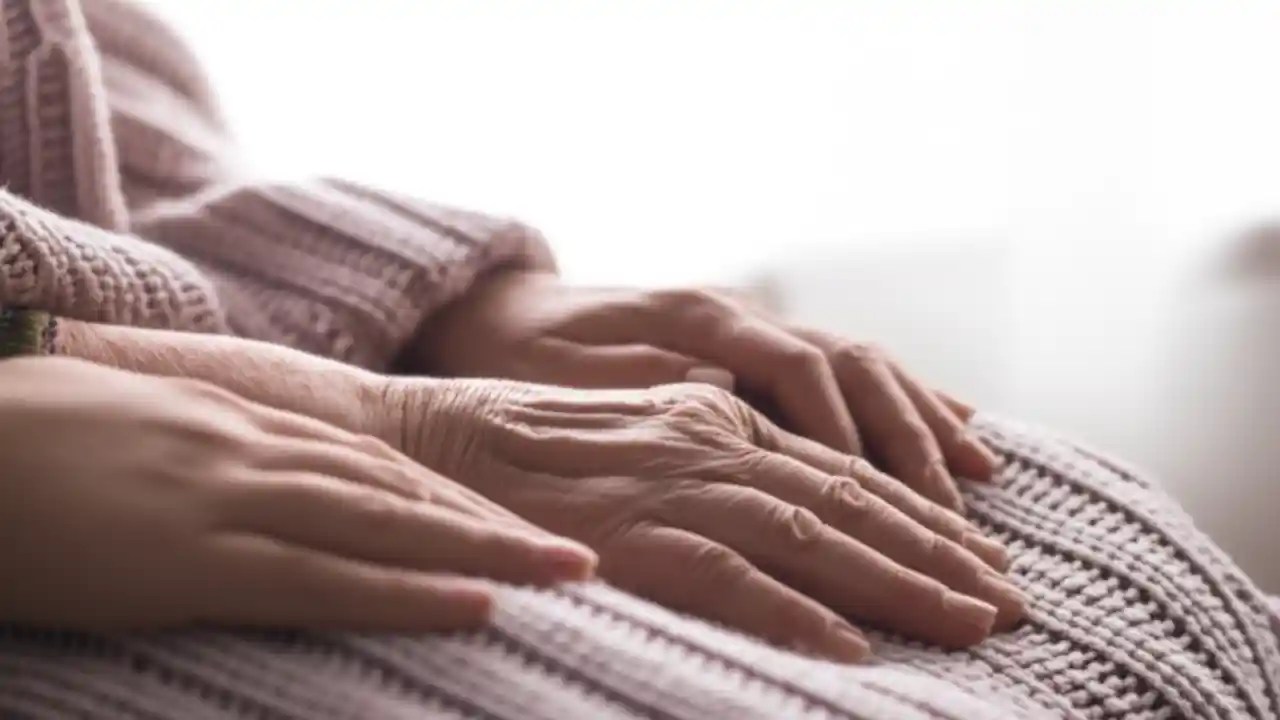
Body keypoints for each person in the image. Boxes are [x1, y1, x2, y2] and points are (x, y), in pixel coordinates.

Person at [0, 1, 1276, 717]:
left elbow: (70, 77)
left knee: (1137, 590)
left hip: (149, 355)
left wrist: (411, 303)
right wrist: (396, 422)